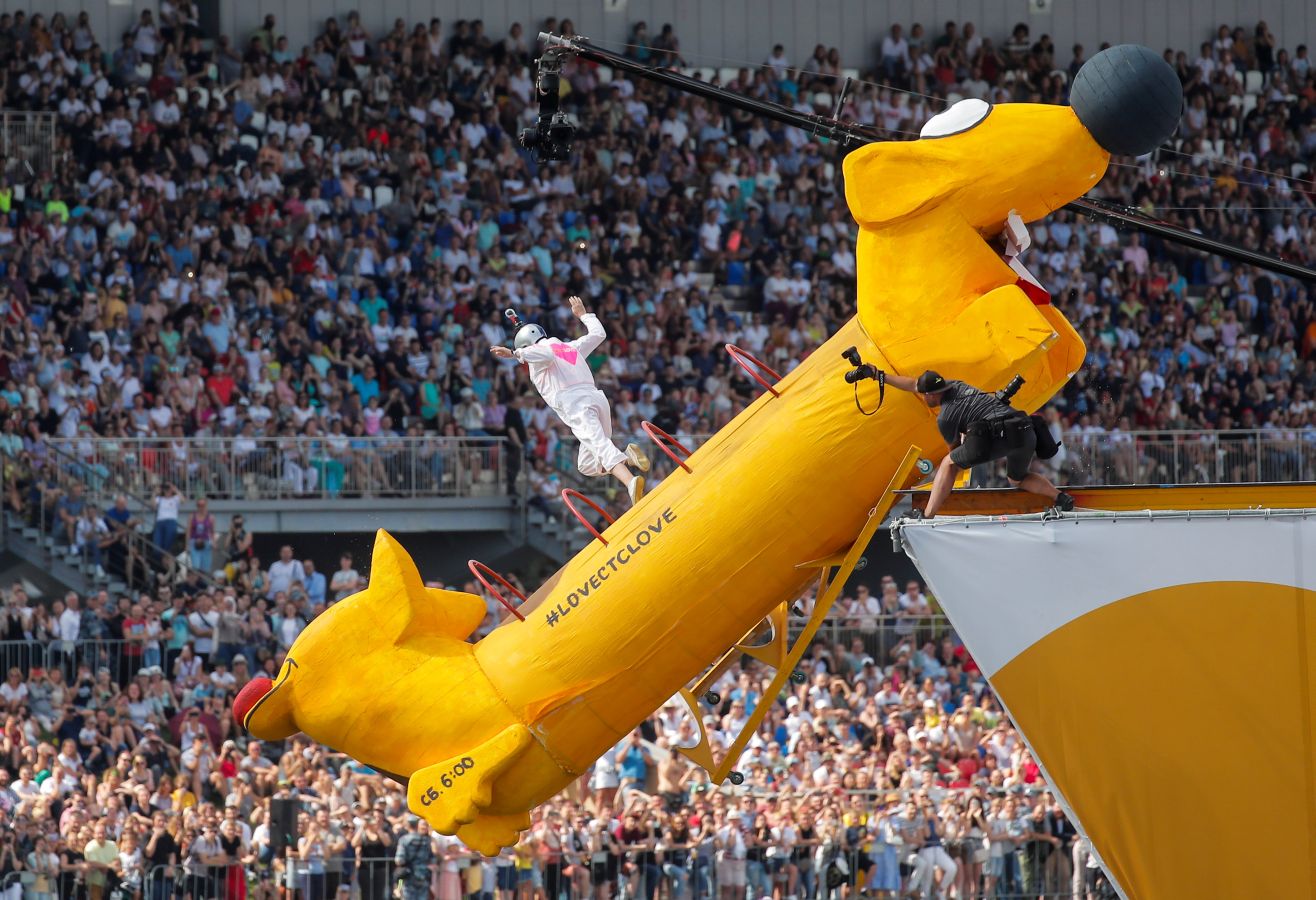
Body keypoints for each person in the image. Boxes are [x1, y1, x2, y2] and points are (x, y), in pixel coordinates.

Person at [490, 296, 650, 505]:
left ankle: (630, 482)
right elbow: (598, 334)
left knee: (601, 447)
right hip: (596, 398)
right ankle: (627, 457)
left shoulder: (538, 357)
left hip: (576, 404)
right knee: (586, 464)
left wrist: (514, 354)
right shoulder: (570, 347)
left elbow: (541, 353)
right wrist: (584, 315)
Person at [883, 370, 1073, 518]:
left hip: (1000, 434)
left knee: (948, 462)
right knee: (1018, 478)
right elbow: (914, 384)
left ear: (932, 395)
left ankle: (927, 515)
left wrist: (966, 441)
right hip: (1025, 428)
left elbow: (955, 452)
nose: (923, 398)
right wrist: (880, 375)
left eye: (924, 395)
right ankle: (1060, 497)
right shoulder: (957, 384)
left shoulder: (945, 417)